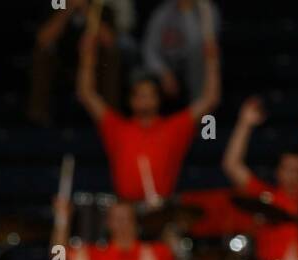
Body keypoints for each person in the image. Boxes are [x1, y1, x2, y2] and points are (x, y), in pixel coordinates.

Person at [77, 25, 219, 202]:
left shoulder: (174, 128)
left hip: (161, 211)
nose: (145, 99)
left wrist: (212, 60)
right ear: (131, 101)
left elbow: (210, 98)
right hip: (125, 211)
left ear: (158, 101)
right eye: (140, 95)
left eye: (150, 95)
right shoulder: (117, 127)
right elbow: (87, 94)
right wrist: (87, 57)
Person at [222, 97, 298, 260]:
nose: (293, 176)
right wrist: (245, 123)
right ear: (278, 172)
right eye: (287, 170)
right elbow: (231, 165)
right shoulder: (267, 196)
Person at [142, 0, 219, 104]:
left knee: (199, 56)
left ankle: (201, 109)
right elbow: (149, 49)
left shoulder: (207, 10)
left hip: (197, 68)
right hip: (169, 67)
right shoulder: (163, 12)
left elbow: (200, 45)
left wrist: (187, 11)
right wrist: (163, 72)